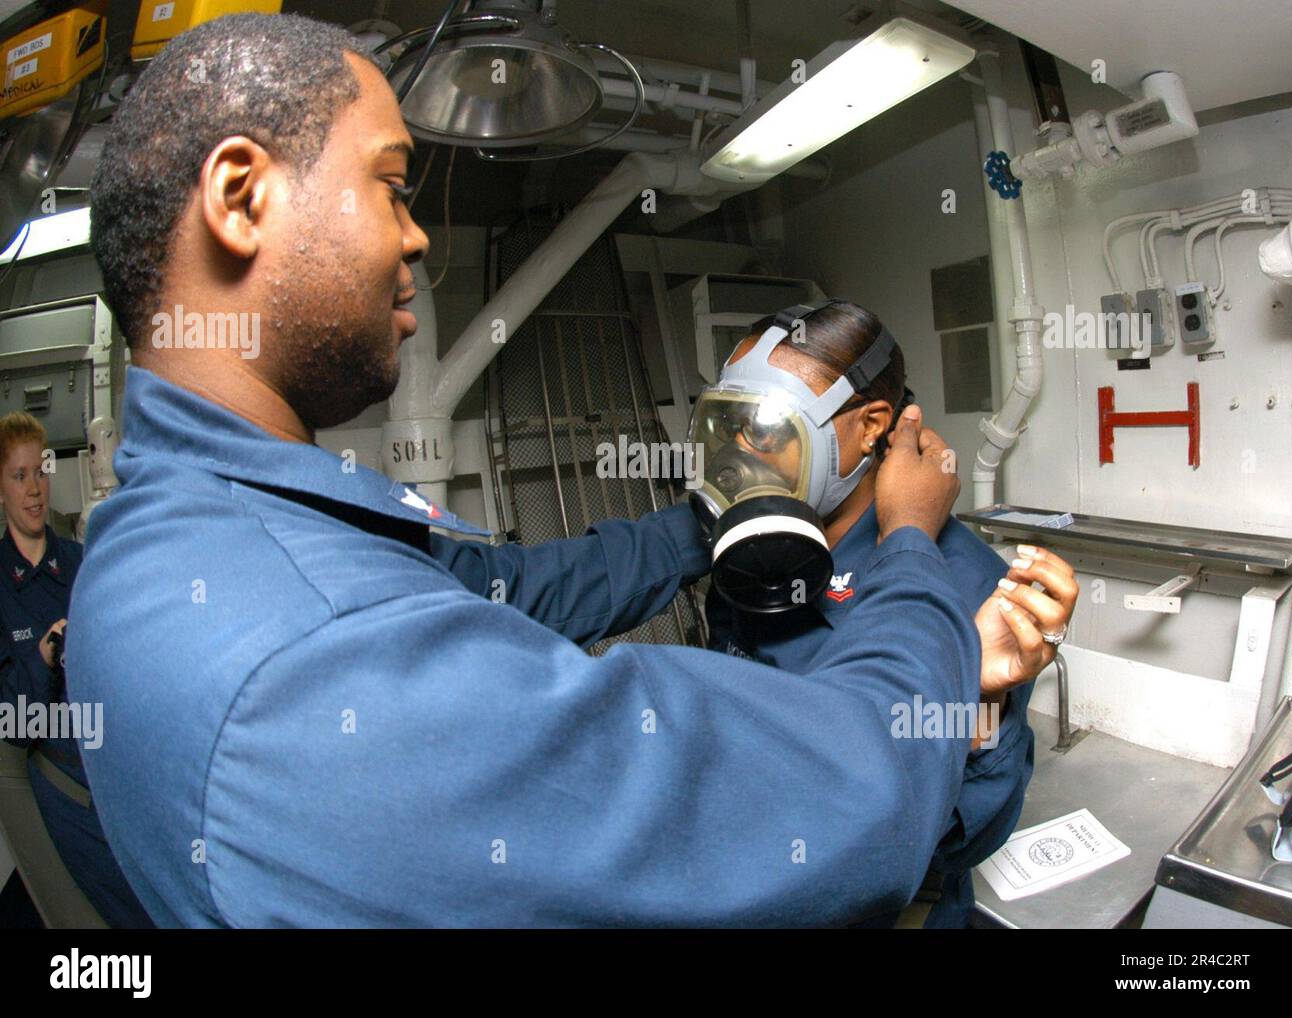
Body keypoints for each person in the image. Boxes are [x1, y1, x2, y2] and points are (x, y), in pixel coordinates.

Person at [74, 12, 988, 927]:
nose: (419, 236)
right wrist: (911, 544)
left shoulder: (171, 537)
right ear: (240, 196)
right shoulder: (318, 656)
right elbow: (851, 804)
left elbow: (508, 587)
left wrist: (713, 520)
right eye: (391, 186)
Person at [702, 302, 1079, 927]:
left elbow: (960, 835)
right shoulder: (753, 551)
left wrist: (981, 710)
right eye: (732, 424)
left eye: (768, 428)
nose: (743, 451)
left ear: (872, 423)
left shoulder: (967, 586)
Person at [0, 411, 153, 927]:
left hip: (116, 768)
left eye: (40, 472)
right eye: (19, 476)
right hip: (62, 778)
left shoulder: (81, 559)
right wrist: (42, 659)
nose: (34, 489)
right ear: (0, 489)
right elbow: (10, 723)